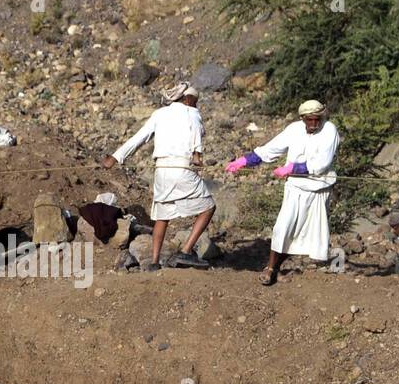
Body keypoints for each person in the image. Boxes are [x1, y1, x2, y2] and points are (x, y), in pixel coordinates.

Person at [100, 82, 214, 271]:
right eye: (194, 101)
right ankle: (186, 251)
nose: (196, 105)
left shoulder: (159, 114)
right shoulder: (192, 113)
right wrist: (197, 155)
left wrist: (115, 157)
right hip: (181, 169)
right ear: (186, 99)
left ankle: (153, 262)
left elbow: (139, 137)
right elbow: (196, 134)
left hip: (161, 172)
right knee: (209, 207)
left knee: (163, 216)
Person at [226, 99, 338, 285]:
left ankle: (275, 269)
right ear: (303, 118)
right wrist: (245, 161)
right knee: (283, 228)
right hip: (295, 188)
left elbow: (322, 163)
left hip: (318, 189)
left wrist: (292, 167)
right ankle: (270, 268)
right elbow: (271, 149)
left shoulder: (329, 130)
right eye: (309, 120)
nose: (313, 124)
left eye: (316, 119)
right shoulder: (294, 129)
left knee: (303, 232)